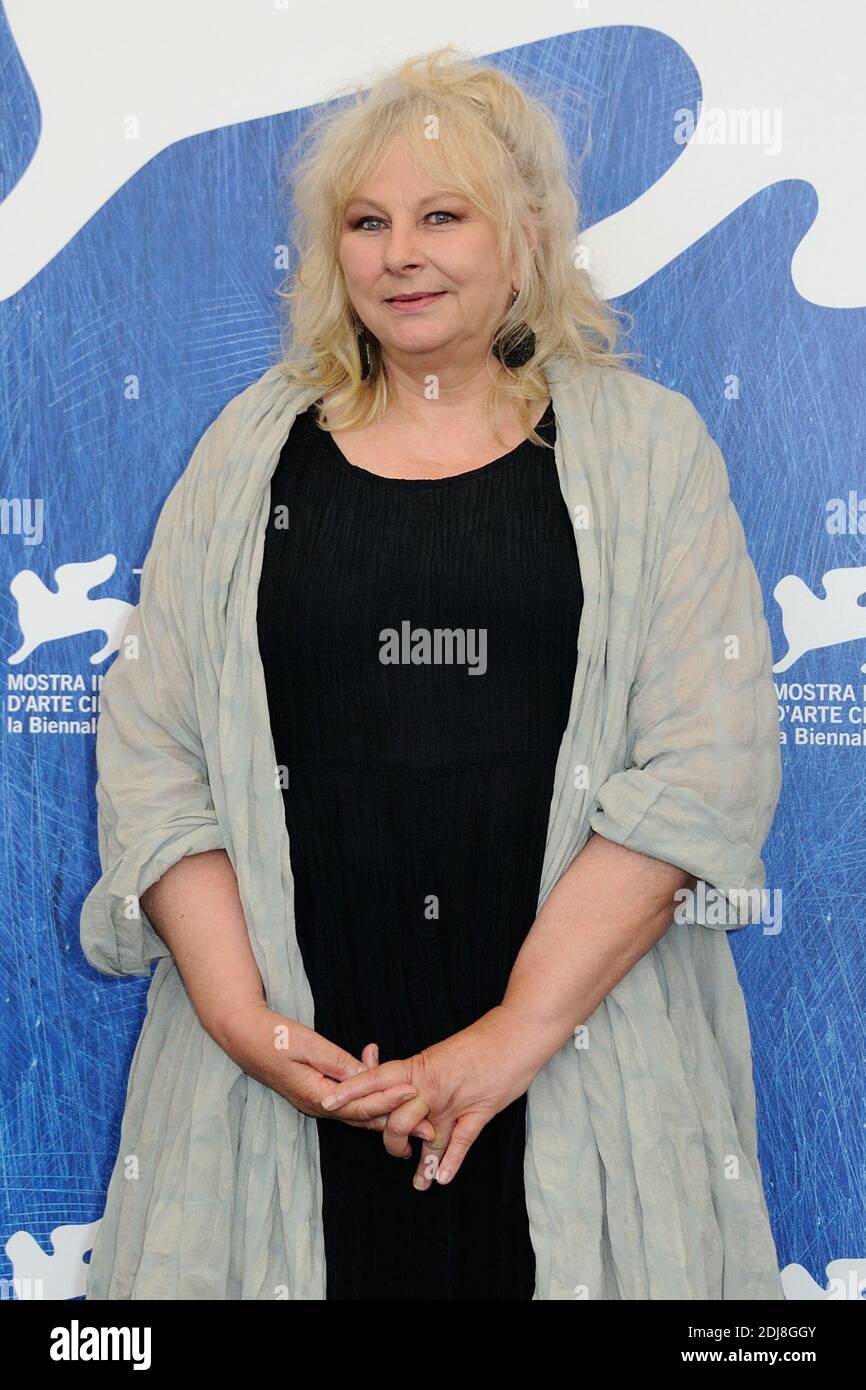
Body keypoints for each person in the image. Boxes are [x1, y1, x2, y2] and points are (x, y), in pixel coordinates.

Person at [80, 47, 784, 1300]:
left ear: (524, 238)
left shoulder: (649, 451)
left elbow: (701, 768)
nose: (400, 255)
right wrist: (248, 1026)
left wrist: (506, 1041)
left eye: (441, 216)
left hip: (573, 1060)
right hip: (289, 1082)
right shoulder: (248, 455)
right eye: (367, 223)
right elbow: (155, 753)